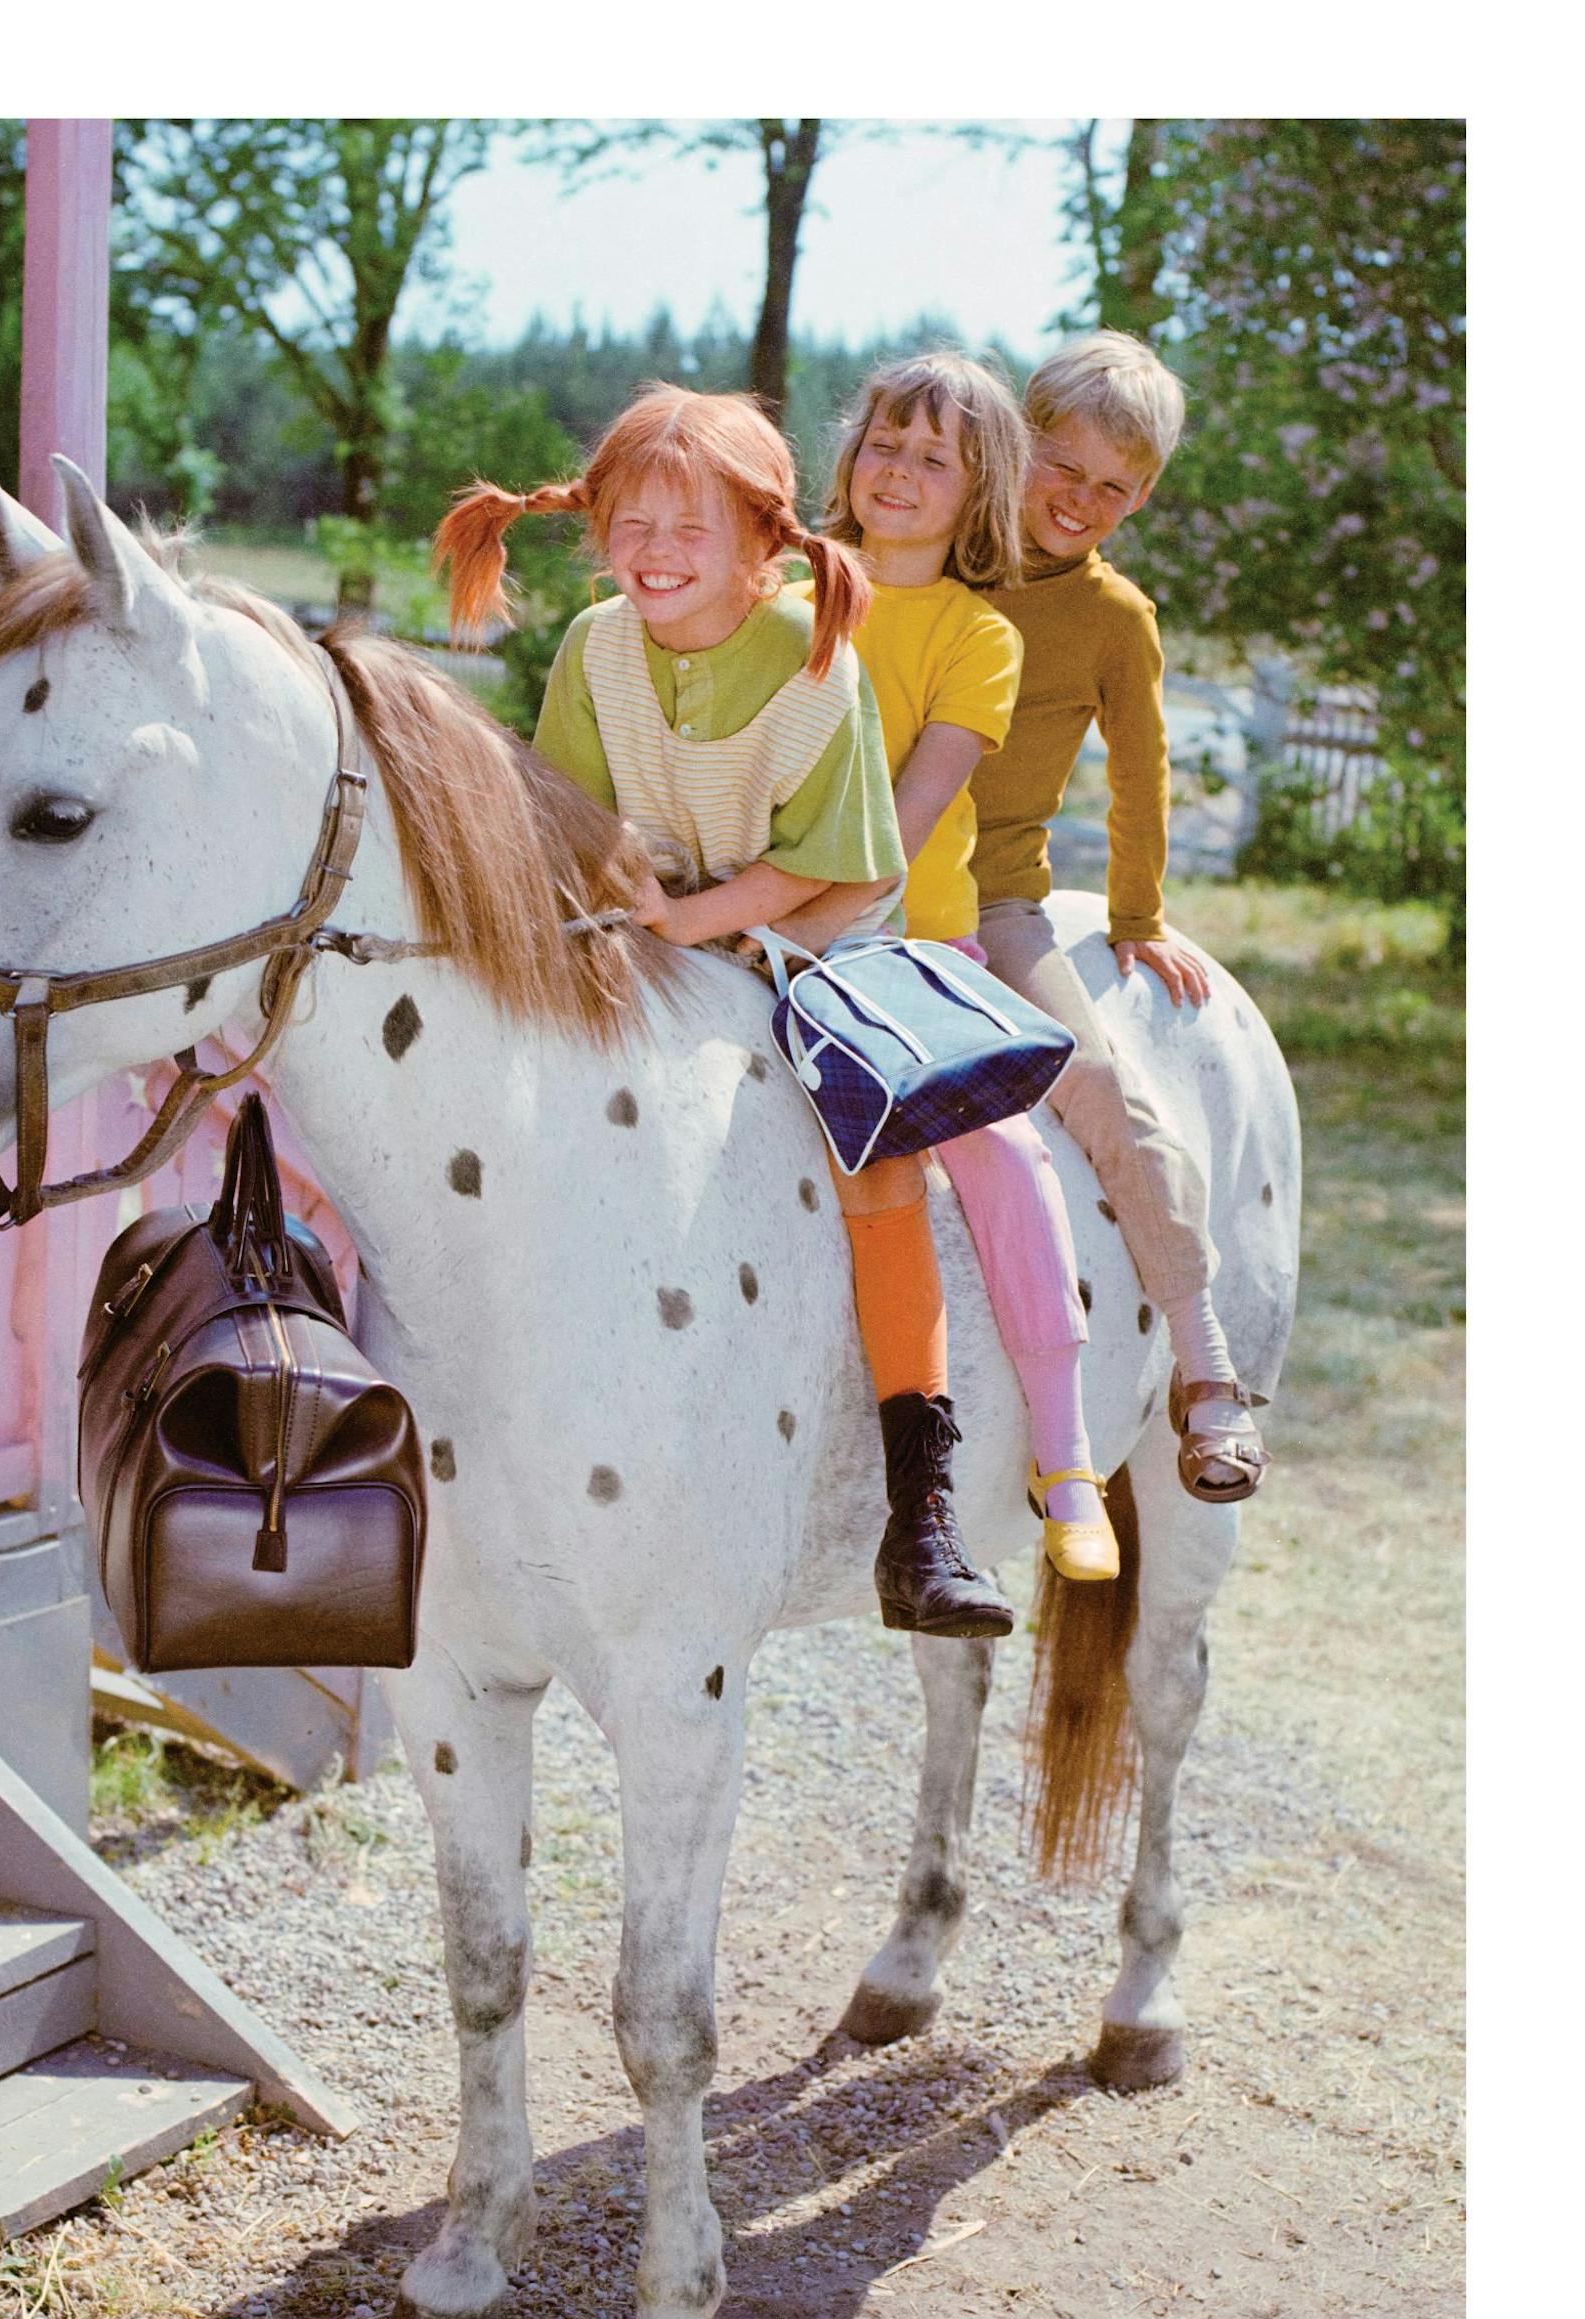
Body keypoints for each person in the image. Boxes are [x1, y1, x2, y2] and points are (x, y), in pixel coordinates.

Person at [433, 382, 1013, 1637]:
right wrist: (609, 881)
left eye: (687, 528)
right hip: (661, 909)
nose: (650, 552)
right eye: (628, 522)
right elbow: (573, 815)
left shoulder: (814, 660)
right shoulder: (595, 648)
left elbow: (825, 857)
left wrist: (691, 921)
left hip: (815, 928)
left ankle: (920, 1504)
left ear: (763, 546)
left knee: (876, 1165)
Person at [818, 350, 1118, 1582]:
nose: (897, 470)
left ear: (975, 488)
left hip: (901, 951)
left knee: (997, 1144)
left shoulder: (975, 635)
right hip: (751, 930)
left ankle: (1063, 1449)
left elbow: (898, 822)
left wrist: (785, 919)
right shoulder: (784, 589)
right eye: (883, 443)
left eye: (931, 457)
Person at [969, 331, 1267, 1501]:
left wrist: (1136, 914)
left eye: (1116, 489)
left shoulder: (1114, 617)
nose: (1083, 503)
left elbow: (1137, 777)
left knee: (1105, 1095)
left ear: (1140, 497)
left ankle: (1203, 1366)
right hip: (833, 878)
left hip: (991, 899)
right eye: (1065, 468)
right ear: (1017, 442)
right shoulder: (925, 553)